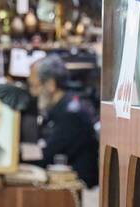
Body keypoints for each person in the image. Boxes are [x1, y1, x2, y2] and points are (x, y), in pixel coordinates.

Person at [27, 54, 99, 189]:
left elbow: (46, 155)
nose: (33, 93)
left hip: (80, 190)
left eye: (34, 86)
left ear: (50, 84)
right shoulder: (63, 106)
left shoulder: (70, 113)